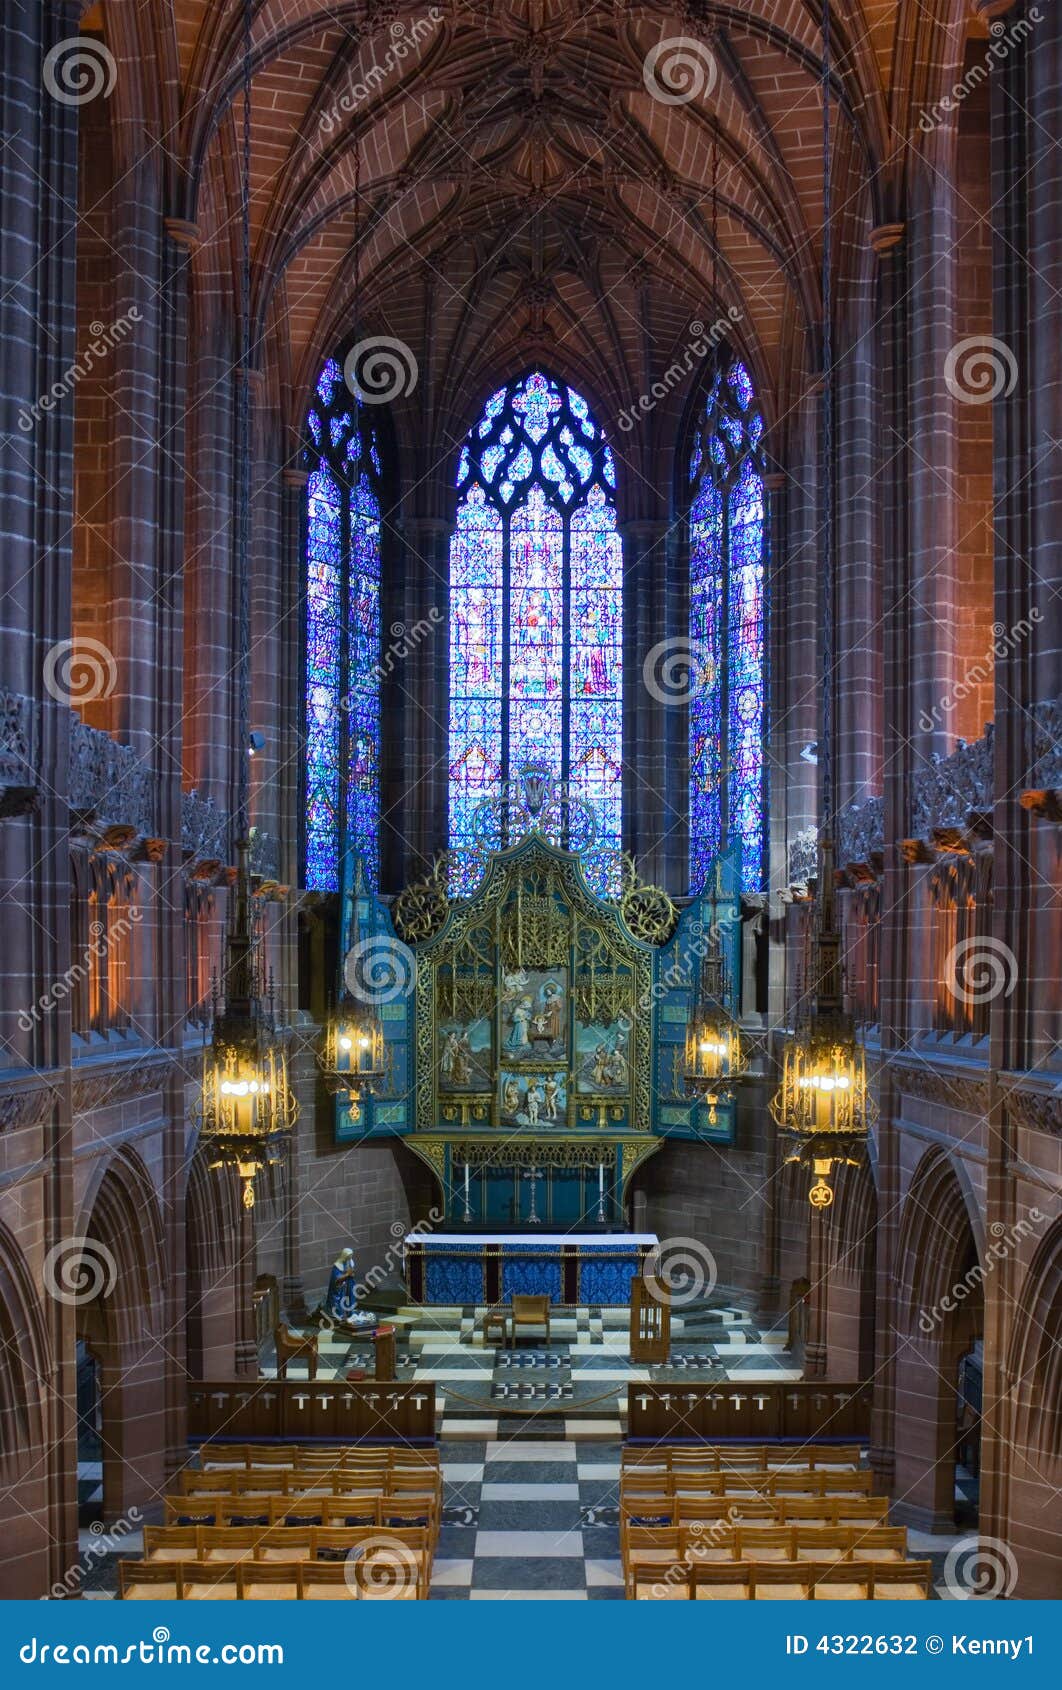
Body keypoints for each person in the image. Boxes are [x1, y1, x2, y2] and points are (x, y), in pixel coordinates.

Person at [326, 1247, 359, 1323]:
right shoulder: (337, 1266)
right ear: (345, 1256)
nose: (350, 1257)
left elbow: (352, 1273)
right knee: (340, 1300)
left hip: (349, 1285)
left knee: (350, 1298)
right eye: (349, 1256)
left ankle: (349, 1313)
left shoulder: (350, 1262)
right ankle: (339, 1314)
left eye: (351, 1255)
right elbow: (336, 1280)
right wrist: (347, 1274)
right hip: (340, 1287)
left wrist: (351, 1274)